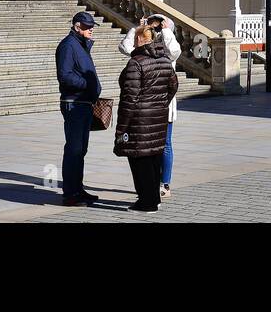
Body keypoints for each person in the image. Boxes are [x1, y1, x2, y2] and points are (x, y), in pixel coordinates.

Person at [114, 21, 178, 212]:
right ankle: (154, 198)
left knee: (139, 160)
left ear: (140, 40)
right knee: (153, 158)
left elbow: (129, 97)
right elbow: (173, 85)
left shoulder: (136, 62)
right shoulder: (165, 60)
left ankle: (146, 202)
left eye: (135, 38)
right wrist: (160, 104)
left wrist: (121, 127)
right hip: (158, 117)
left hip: (139, 121)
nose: (133, 42)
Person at [55, 11, 102, 206]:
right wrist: (87, 84)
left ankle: (78, 189)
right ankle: (70, 194)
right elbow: (65, 76)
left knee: (81, 149)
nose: (91, 29)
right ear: (76, 26)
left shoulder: (81, 45)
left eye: (91, 26)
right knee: (74, 149)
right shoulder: (68, 45)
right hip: (73, 103)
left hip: (83, 103)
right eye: (86, 26)